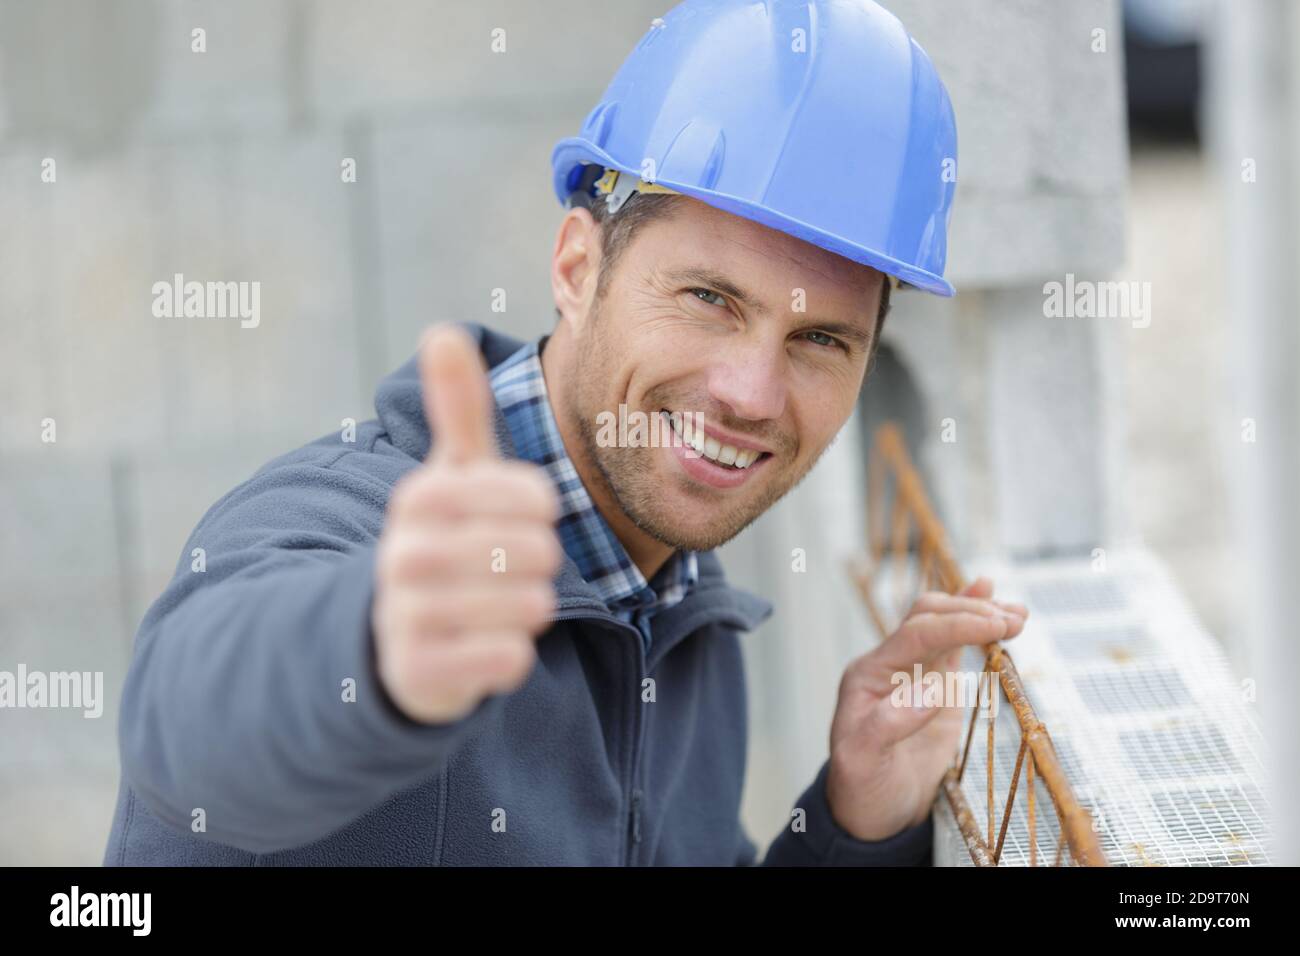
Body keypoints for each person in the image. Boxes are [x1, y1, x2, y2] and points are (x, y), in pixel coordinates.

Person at [104, 0, 1026, 866]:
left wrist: (846, 829)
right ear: (579, 268)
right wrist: (372, 652)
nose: (751, 393)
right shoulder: (358, 529)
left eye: (820, 340)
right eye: (708, 299)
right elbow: (185, 726)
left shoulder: (687, 615)